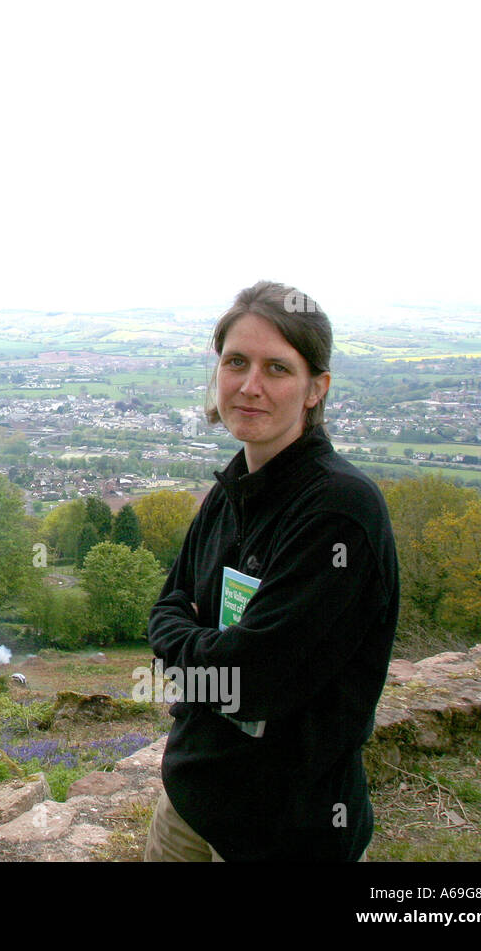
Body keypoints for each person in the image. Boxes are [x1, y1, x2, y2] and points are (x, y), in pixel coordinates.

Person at [144, 281, 399, 861]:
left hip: (290, 830)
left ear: (316, 388)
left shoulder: (338, 512)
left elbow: (248, 681)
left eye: (277, 368)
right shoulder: (232, 490)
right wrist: (208, 648)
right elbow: (164, 609)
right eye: (237, 362)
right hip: (190, 803)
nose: (250, 386)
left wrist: (193, 647)